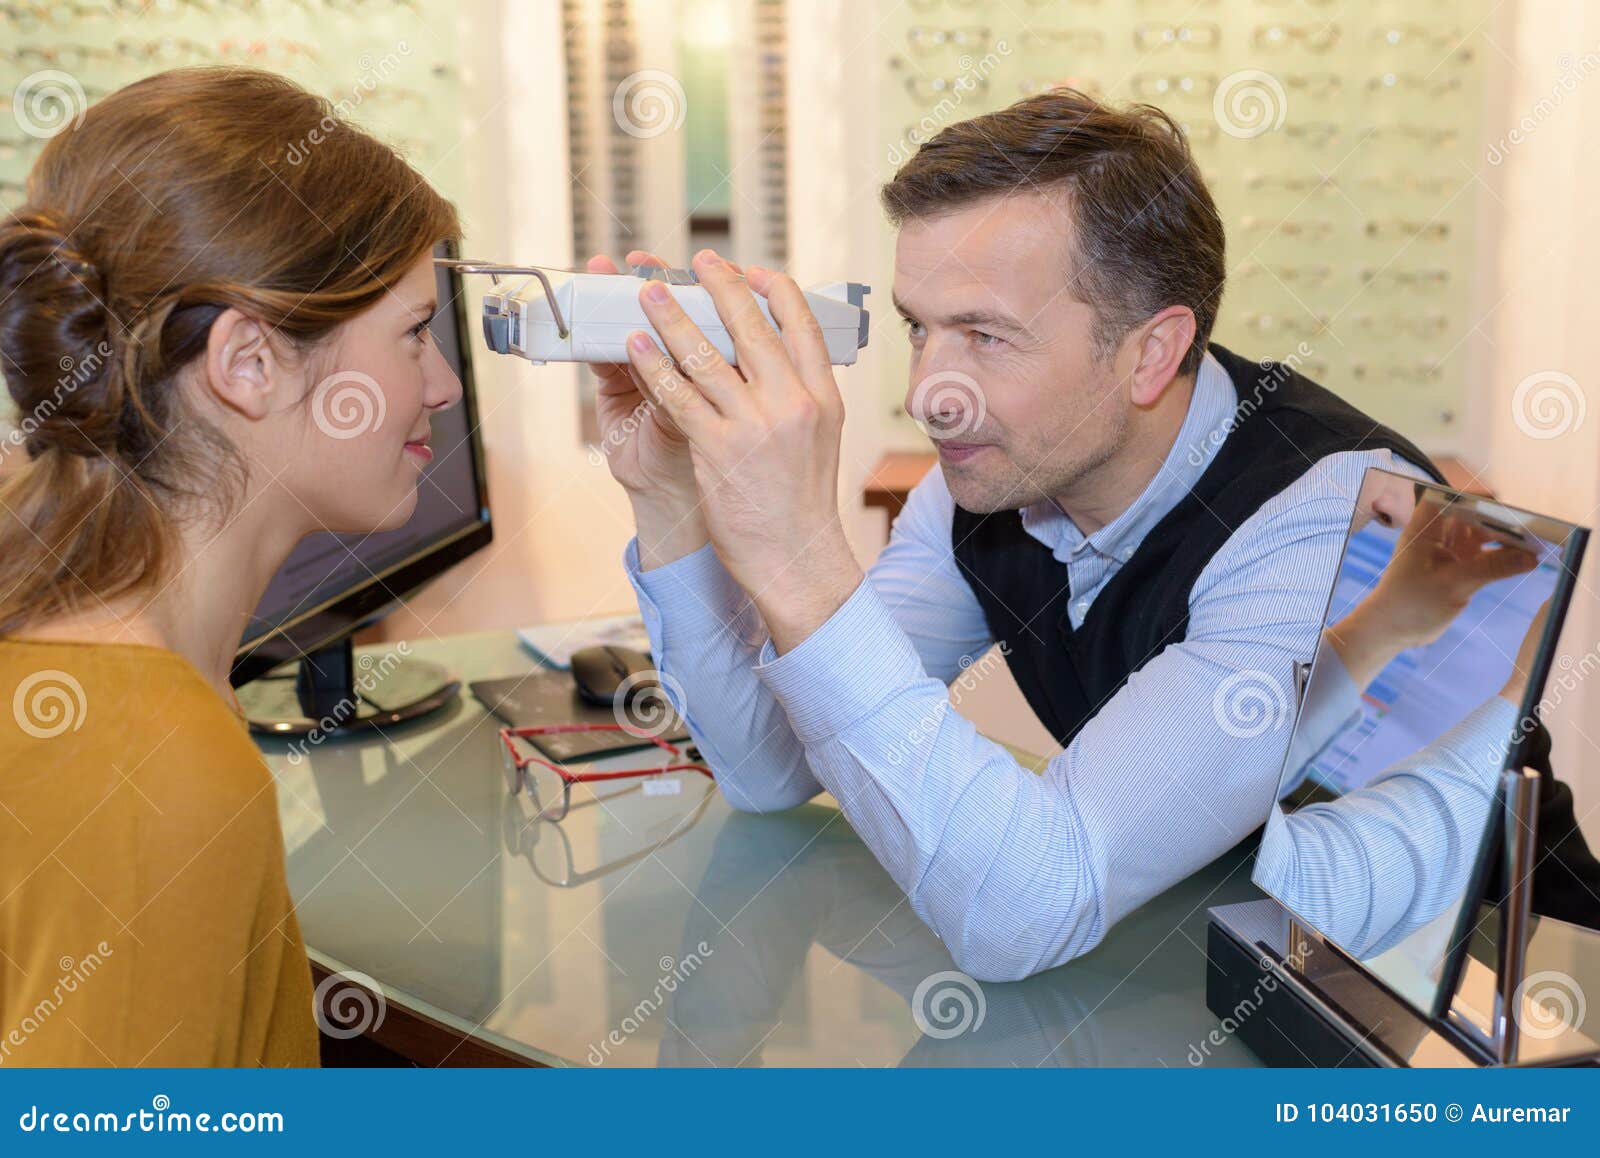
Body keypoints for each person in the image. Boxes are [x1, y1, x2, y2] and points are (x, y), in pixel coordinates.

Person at [588, 87, 1449, 983]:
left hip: (1469, 1017)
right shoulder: (994, 482)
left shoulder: (1334, 518)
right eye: (919, 329)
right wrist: (670, 498)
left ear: (1151, 353)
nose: (929, 392)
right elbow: (767, 771)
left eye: (986, 336)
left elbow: (1029, 912)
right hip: (1198, 977)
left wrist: (797, 559)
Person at [0, 67, 462, 1065]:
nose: (443, 384)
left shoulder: (100, 672)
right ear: (248, 364)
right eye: (414, 334)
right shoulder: (157, 776)